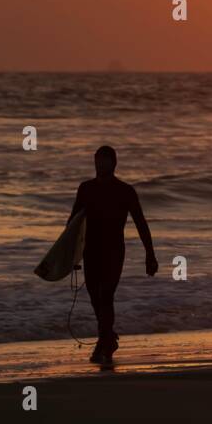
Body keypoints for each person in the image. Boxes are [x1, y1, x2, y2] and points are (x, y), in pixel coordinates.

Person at [68, 145, 157, 364]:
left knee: (106, 294)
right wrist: (70, 255)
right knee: (94, 296)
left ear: (114, 163)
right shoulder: (86, 189)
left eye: (106, 161)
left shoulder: (125, 191)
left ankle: (104, 343)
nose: (101, 164)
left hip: (114, 250)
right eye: (98, 160)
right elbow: (73, 223)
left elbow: (141, 223)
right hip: (91, 250)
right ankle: (107, 338)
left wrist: (150, 254)